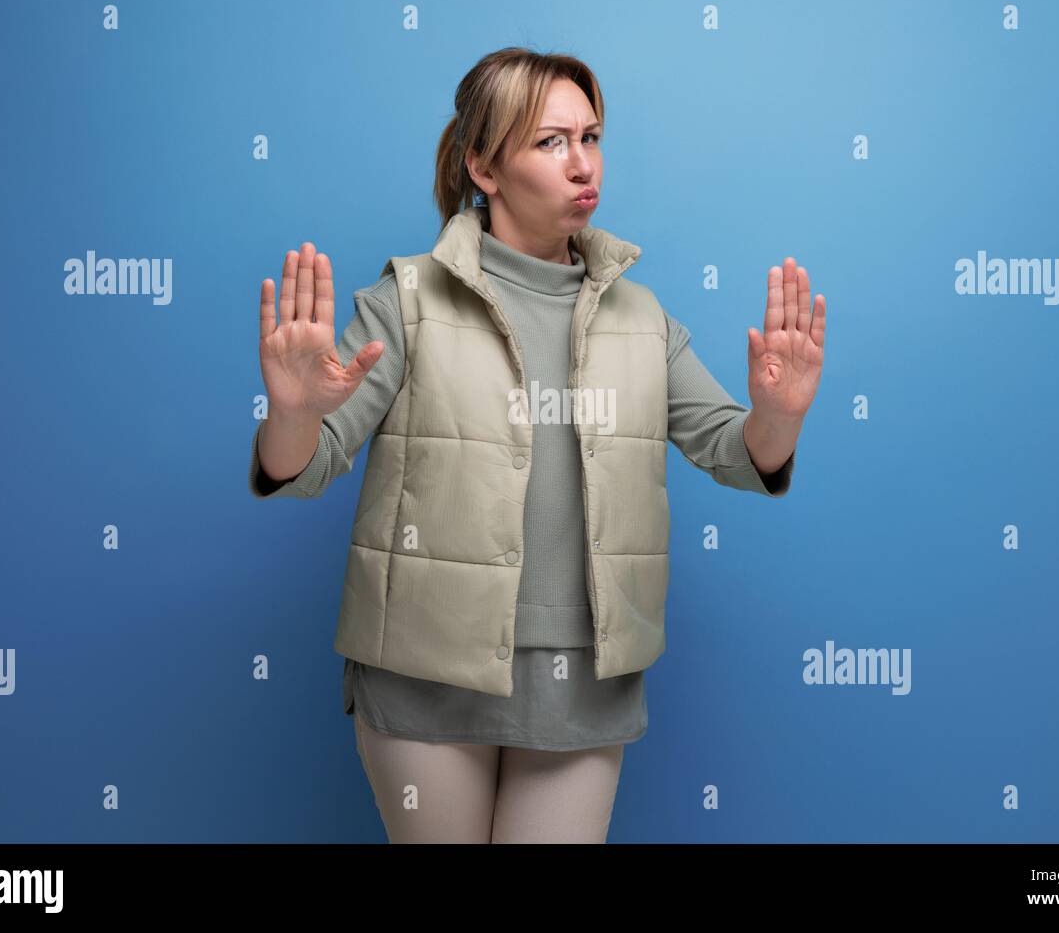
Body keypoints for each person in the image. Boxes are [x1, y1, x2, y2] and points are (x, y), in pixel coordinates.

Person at [248, 47, 827, 843]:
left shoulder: (642, 316)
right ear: (483, 167)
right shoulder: (405, 302)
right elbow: (302, 468)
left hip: (583, 680)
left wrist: (779, 412)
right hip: (426, 673)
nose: (583, 163)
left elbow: (738, 450)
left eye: (591, 137)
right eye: (551, 142)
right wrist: (292, 412)